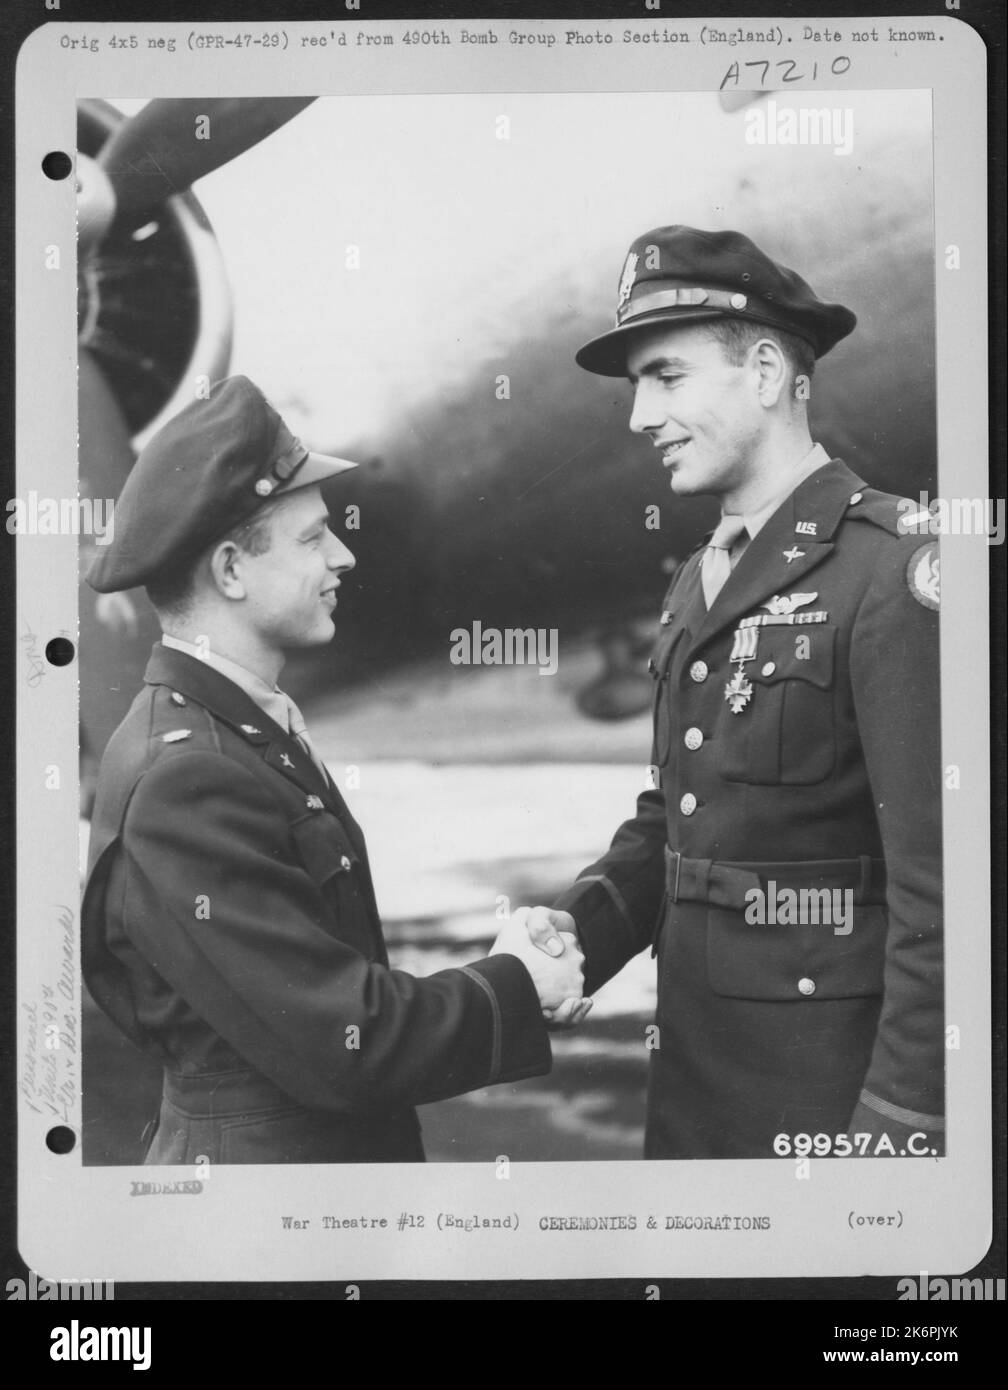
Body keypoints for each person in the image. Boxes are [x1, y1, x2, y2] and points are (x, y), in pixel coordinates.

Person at [517, 226, 944, 1160]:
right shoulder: (699, 580)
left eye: (666, 377)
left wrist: (899, 1134)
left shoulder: (892, 569)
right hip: (694, 1103)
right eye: (637, 388)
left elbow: (942, 892)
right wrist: (573, 933)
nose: (640, 417)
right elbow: (679, 819)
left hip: (826, 1116)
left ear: (764, 373)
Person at [82, 375, 586, 1165]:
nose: (344, 556)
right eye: (314, 538)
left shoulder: (237, 731)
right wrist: (514, 983)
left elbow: (322, 987)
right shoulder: (190, 776)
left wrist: (506, 966)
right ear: (231, 570)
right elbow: (348, 1041)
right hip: (263, 1209)